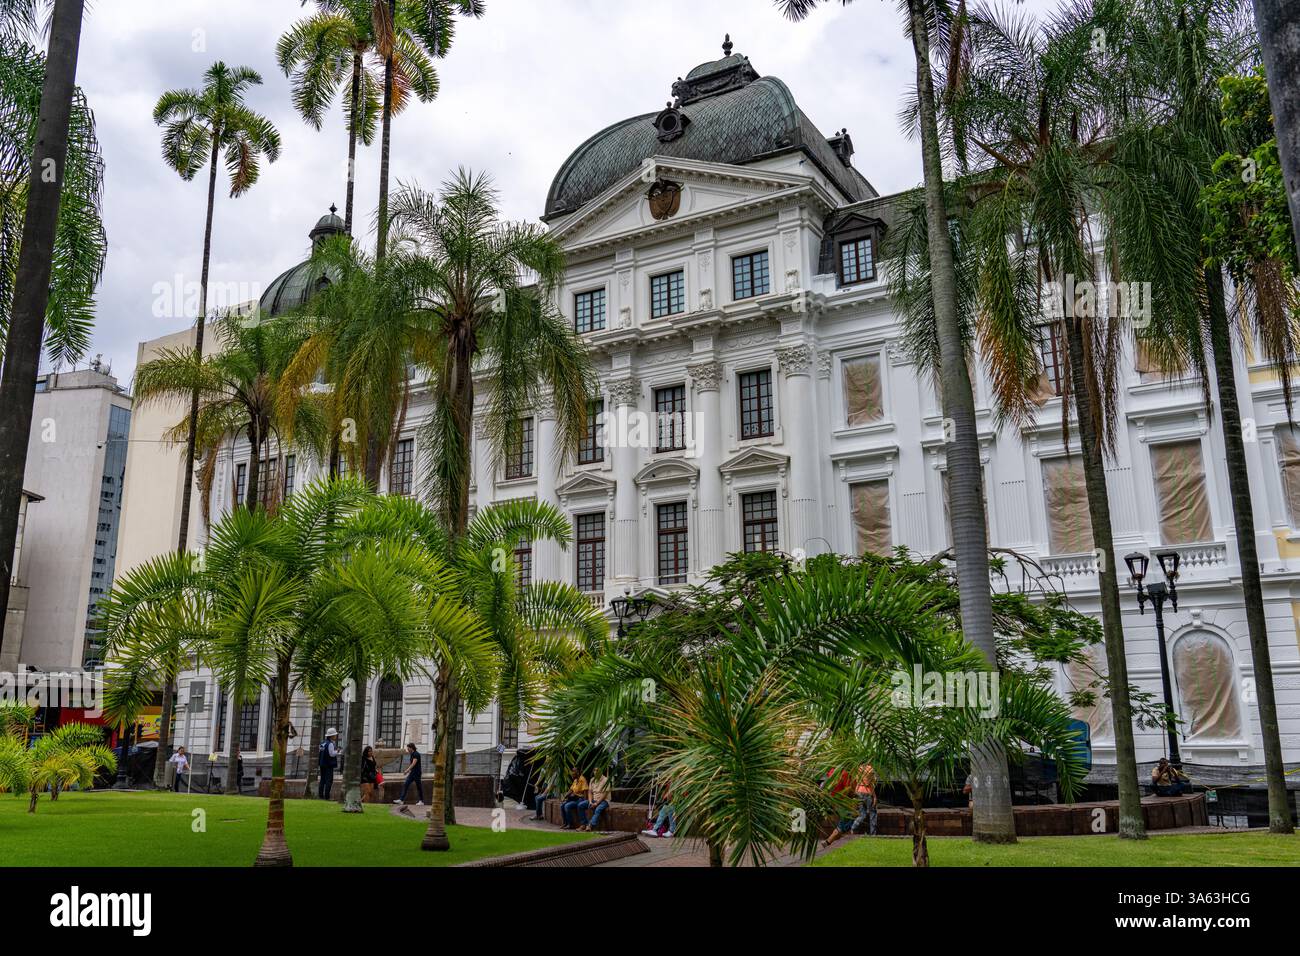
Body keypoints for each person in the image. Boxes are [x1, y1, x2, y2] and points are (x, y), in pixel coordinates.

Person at [821, 766, 855, 848]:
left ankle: (838, 840)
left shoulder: (831, 771)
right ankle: (829, 841)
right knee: (846, 822)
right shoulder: (844, 773)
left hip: (833, 801)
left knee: (846, 822)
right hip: (843, 801)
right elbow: (849, 789)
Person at [852, 763, 878, 836]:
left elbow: (857, 782)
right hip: (867, 792)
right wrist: (875, 797)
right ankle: (873, 834)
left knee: (862, 814)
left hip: (859, 792)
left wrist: (855, 793)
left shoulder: (859, 768)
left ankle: (853, 827)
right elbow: (869, 784)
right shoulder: (870, 769)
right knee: (873, 813)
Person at [317, 728, 339, 800]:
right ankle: (327, 796)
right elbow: (331, 754)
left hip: (322, 764)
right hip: (328, 764)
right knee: (329, 780)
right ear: (331, 736)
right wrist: (337, 752)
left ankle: (321, 795)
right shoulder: (330, 744)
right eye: (335, 735)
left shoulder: (322, 743)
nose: (335, 736)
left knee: (322, 780)